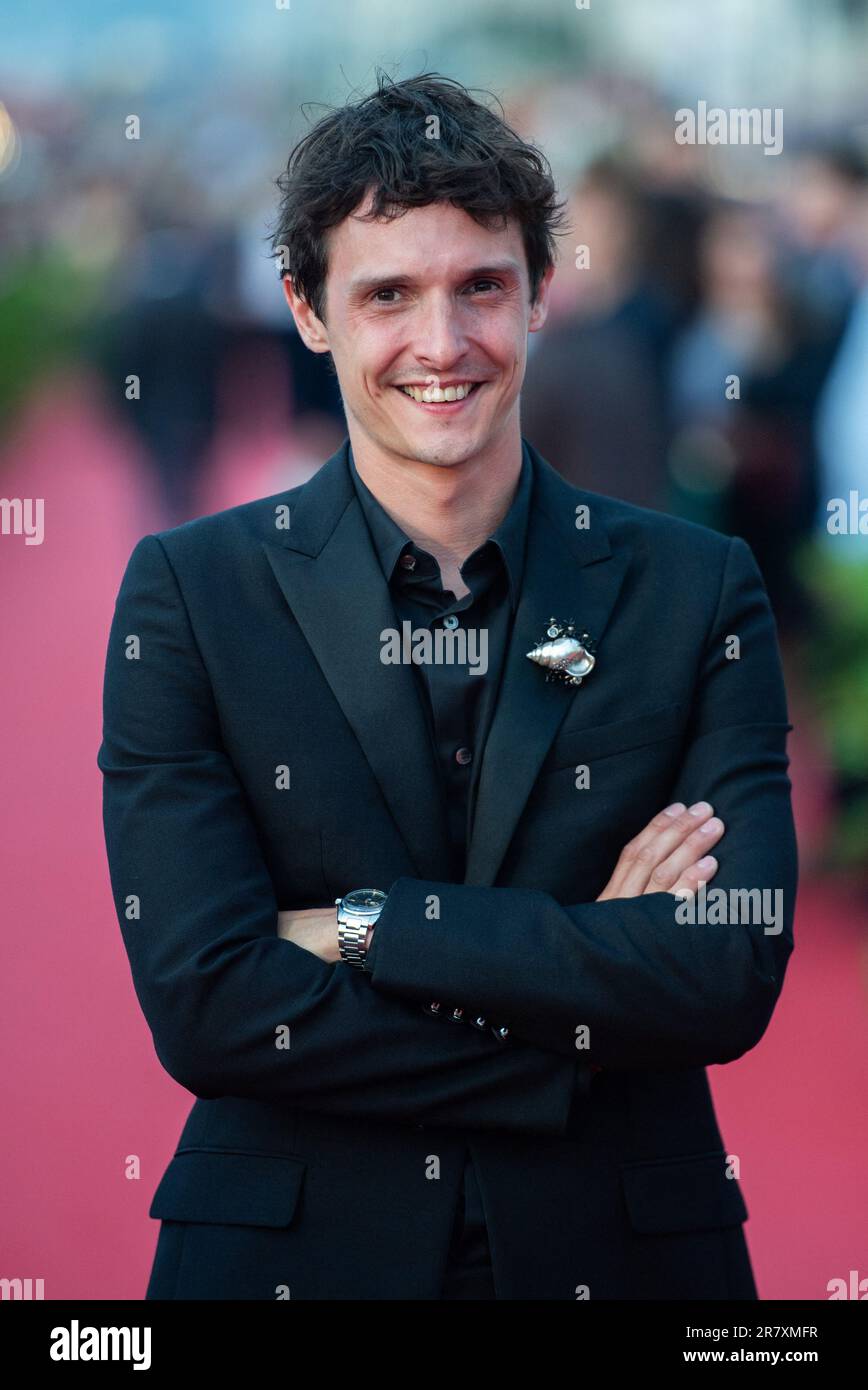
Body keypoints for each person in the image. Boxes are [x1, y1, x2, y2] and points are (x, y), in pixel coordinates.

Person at [97, 71, 797, 1300]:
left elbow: (722, 975)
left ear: (540, 293)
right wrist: (583, 1006)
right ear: (307, 314)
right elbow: (208, 1002)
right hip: (288, 1258)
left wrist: (368, 930)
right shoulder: (190, 595)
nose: (442, 343)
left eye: (480, 285)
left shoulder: (697, 587)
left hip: (629, 1257)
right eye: (387, 295)